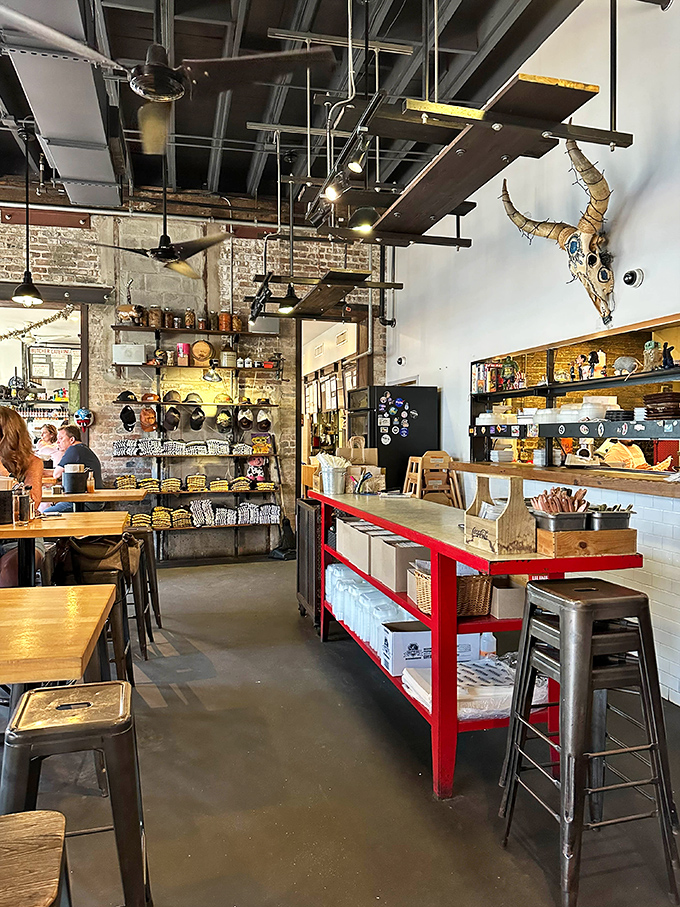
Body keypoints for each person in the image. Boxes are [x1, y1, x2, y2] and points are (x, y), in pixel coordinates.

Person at [0, 407, 44, 586]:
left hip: (22, 541)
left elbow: (32, 502)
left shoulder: (33, 463)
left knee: (7, 570)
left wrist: (3, 475)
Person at [45, 424, 104, 513]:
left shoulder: (74, 450)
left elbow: (56, 474)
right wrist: (41, 471)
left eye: (61, 438)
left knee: (46, 513)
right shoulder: (82, 449)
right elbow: (61, 471)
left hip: (86, 502)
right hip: (92, 499)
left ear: (72, 439)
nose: (57, 442)